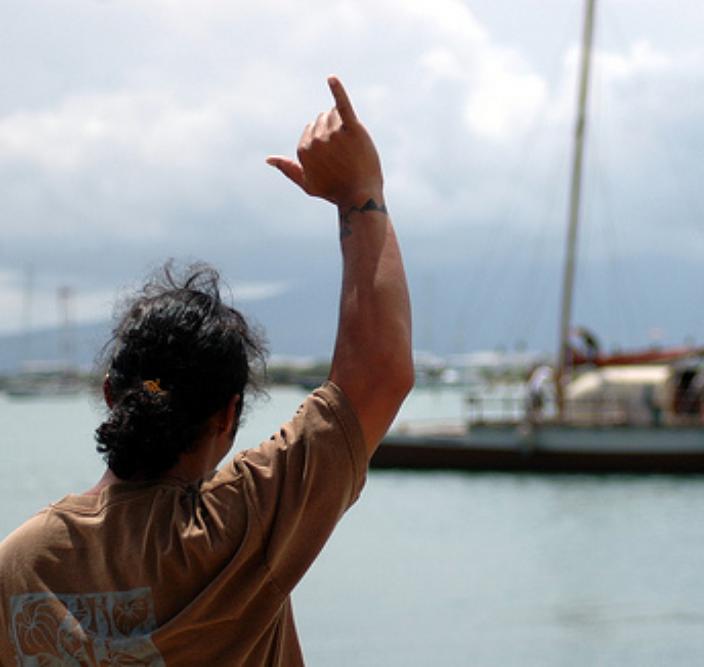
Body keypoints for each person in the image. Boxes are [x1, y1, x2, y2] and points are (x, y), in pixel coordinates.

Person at [0, 75, 413, 665]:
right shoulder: (240, 529)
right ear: (228, 415)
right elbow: (379, 374)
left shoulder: (22, 564)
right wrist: (360, 195)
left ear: (112, 395)